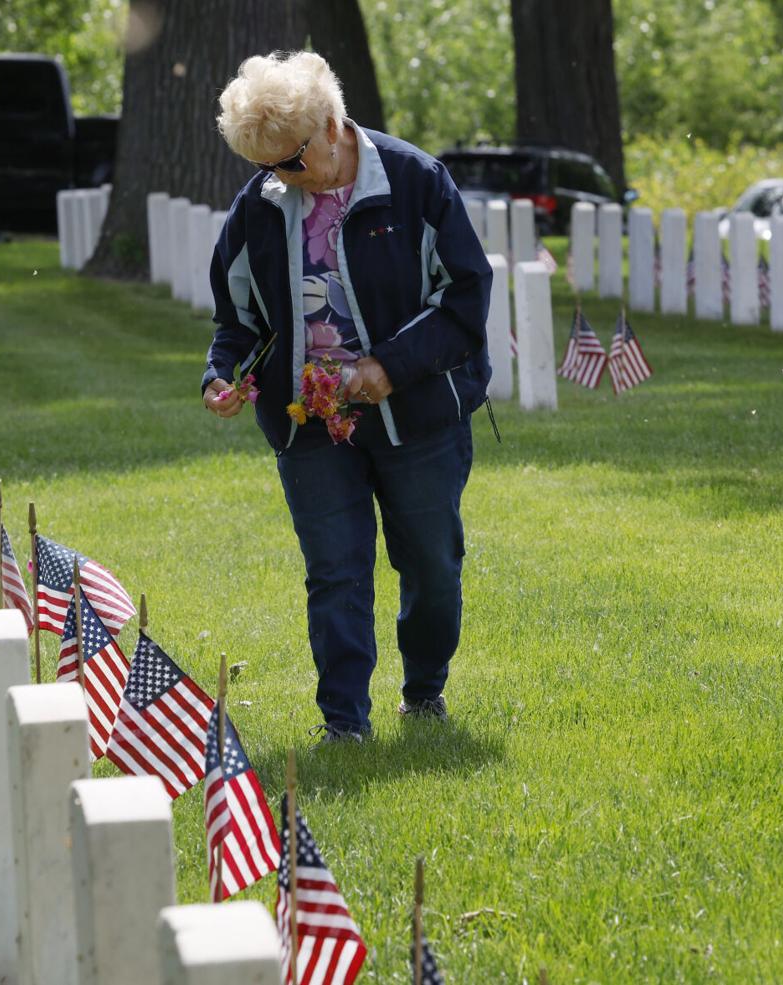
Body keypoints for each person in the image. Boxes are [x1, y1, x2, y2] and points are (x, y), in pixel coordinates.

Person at [201, 51, 492, 744]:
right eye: (267, 166)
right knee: (334, 570)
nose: (281, 177)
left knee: (432, 562)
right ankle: (344, 722)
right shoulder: (261, 205)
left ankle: (424, 692)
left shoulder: (416, 182)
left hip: (416, 413)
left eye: (291, 161)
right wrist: (222, 373)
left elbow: (464, 301)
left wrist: (388, 368)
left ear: (331, 126)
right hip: (309, 421)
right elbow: (238, 318)